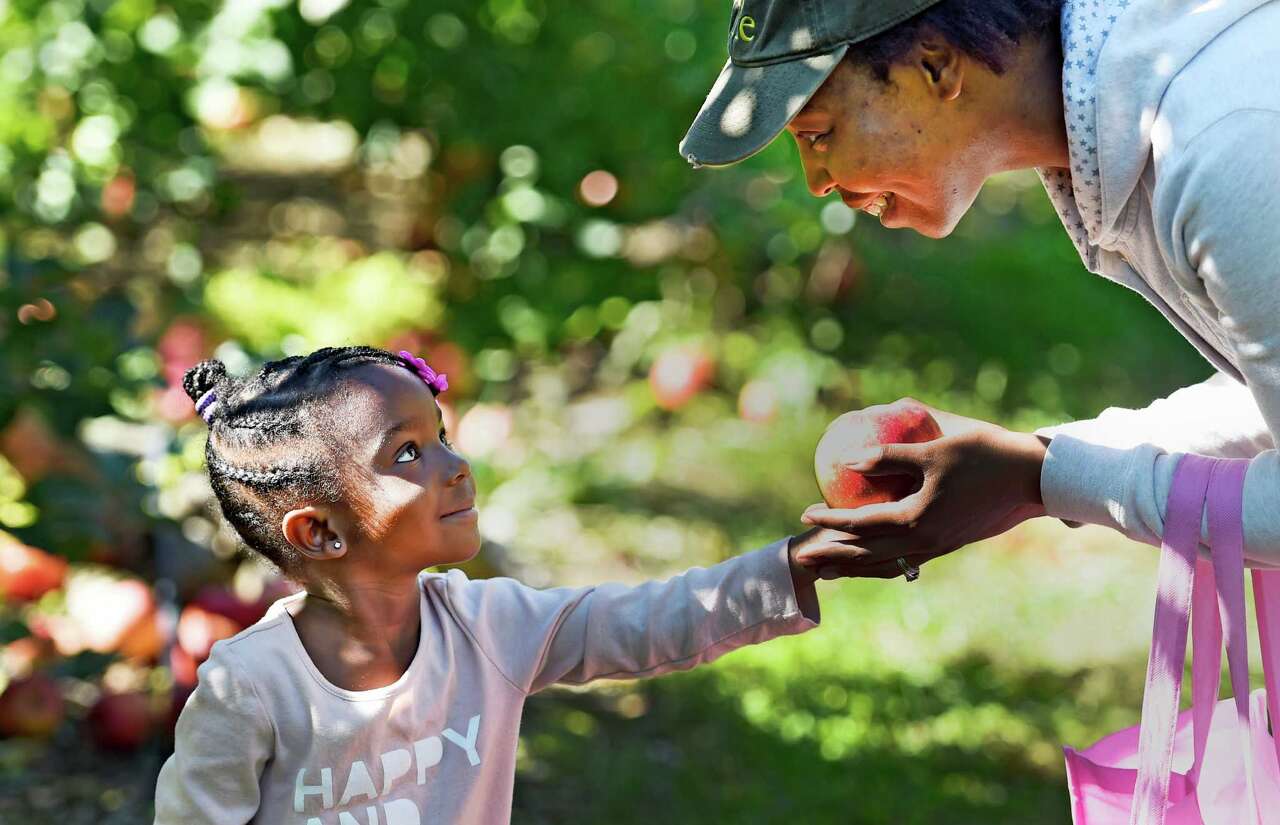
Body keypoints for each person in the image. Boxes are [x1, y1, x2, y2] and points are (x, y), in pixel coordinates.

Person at [152, 345, 874, 825]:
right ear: (320, 532)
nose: (455, 465)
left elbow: (650, 622)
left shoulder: (486, 625)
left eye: (442, 435)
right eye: (408, 452)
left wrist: (799, 563)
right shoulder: (248, 687)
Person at [679, 0, 1280, 574]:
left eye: (818, 133)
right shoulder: (1145, 124)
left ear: (936, 65)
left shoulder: (1221, 148)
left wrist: (1037, 479)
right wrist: (1037, 461)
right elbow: (1260, 405)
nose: (814, 182)